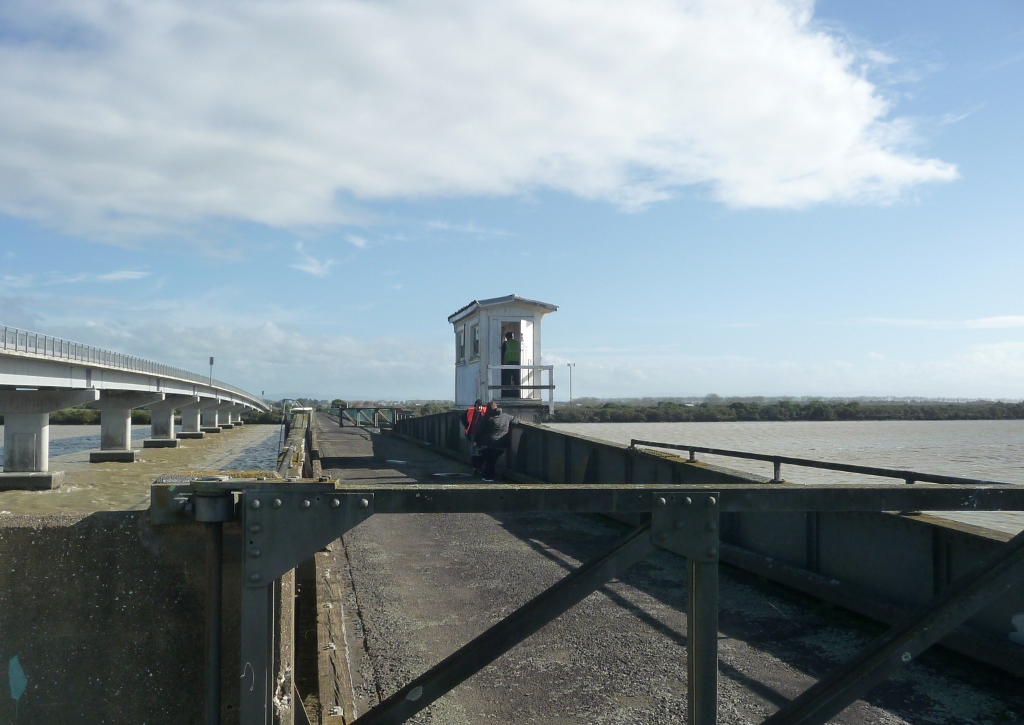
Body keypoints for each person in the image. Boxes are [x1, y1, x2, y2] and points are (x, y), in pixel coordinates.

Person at [473, 401, 513, 481]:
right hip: (501, 444)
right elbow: (515, 420)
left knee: (488, 459)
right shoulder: (506, 416)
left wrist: (475, 440)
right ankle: (487, 475)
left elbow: (479, 431)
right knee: (491, 460)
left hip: (488, 444)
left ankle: (488, 477)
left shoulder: (486, 418)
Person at [460, 399, 486, 474]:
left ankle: (480, 467)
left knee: (481, 452)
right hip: (473, 434)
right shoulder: (470, 411)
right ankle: (475, 467)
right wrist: (466, 425)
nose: (479, 408)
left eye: (481, 406)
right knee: (473, 452)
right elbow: (462, 417)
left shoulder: (485, 411)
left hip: (482, 435)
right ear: (475, 406)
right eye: (478, 406)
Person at [500, 331, 520, 399]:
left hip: (508, 363)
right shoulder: (517, 343)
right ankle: (517, 394)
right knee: (516, 380)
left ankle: (507, 394)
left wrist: (501, 363)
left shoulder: (506, 343)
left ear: (506, 337)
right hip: (516, 363)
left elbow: (502, 354)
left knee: (506, 380)